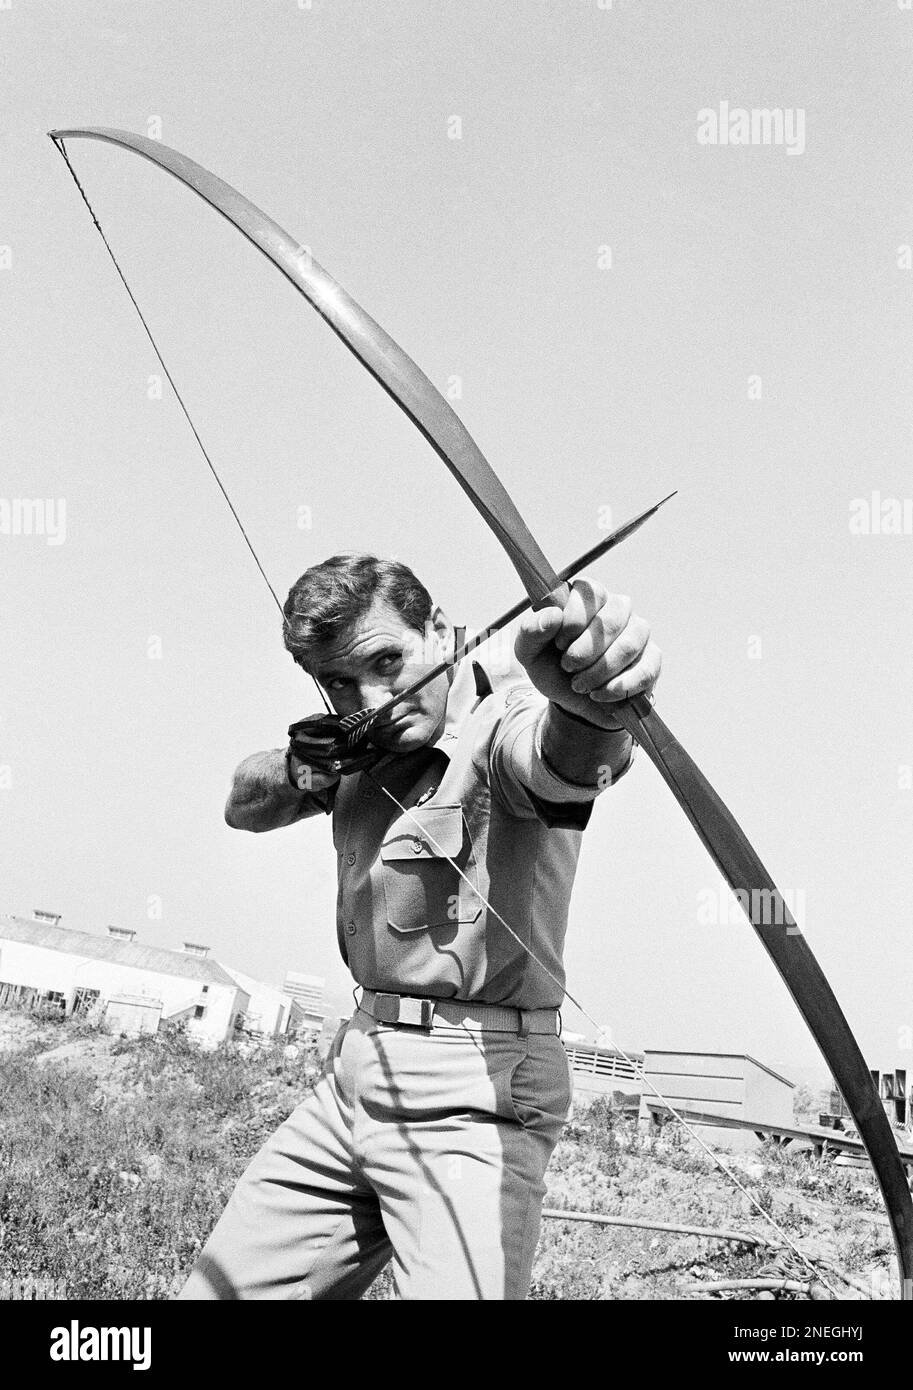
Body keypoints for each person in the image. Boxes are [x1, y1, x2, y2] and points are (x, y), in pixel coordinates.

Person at [178, 552, 661, 1300]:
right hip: (354, 1076)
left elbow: (566, 762)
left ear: (438, 630)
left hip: (473, 1095)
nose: (369, 697)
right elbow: (241, 805)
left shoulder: (503, 723)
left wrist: (592, 709)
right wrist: (309, 766)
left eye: (385, 662)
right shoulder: (358, 742)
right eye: (338, 682)